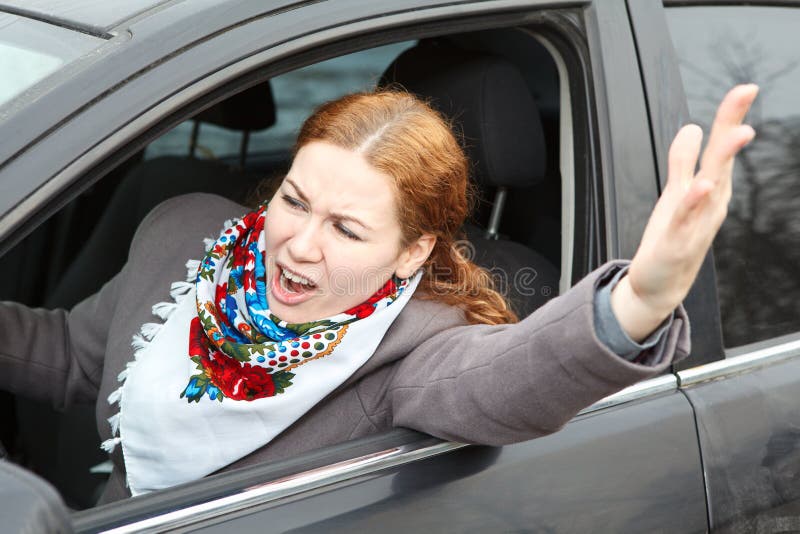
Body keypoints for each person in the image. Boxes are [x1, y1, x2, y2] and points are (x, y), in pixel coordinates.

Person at [0, 84, 758, 503]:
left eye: (347, 230)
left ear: (410, 252)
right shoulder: (184, 233)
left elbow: (517, 372)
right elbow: (72, 353)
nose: (297, 245)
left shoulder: (414, 349)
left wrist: (643, 298)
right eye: (293, 201)